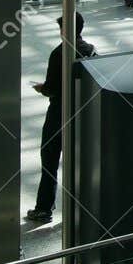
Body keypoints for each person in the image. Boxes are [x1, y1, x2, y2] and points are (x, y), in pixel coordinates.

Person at [28, 13, 97, 225]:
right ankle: (84, 206)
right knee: (80, 161)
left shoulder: (59, 53)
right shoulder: (90, 49)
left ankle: (44, 208)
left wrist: (42, 89)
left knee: (49, 159)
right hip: (83, 112)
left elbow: (51, 88)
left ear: (63, 30)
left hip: (59, 113)